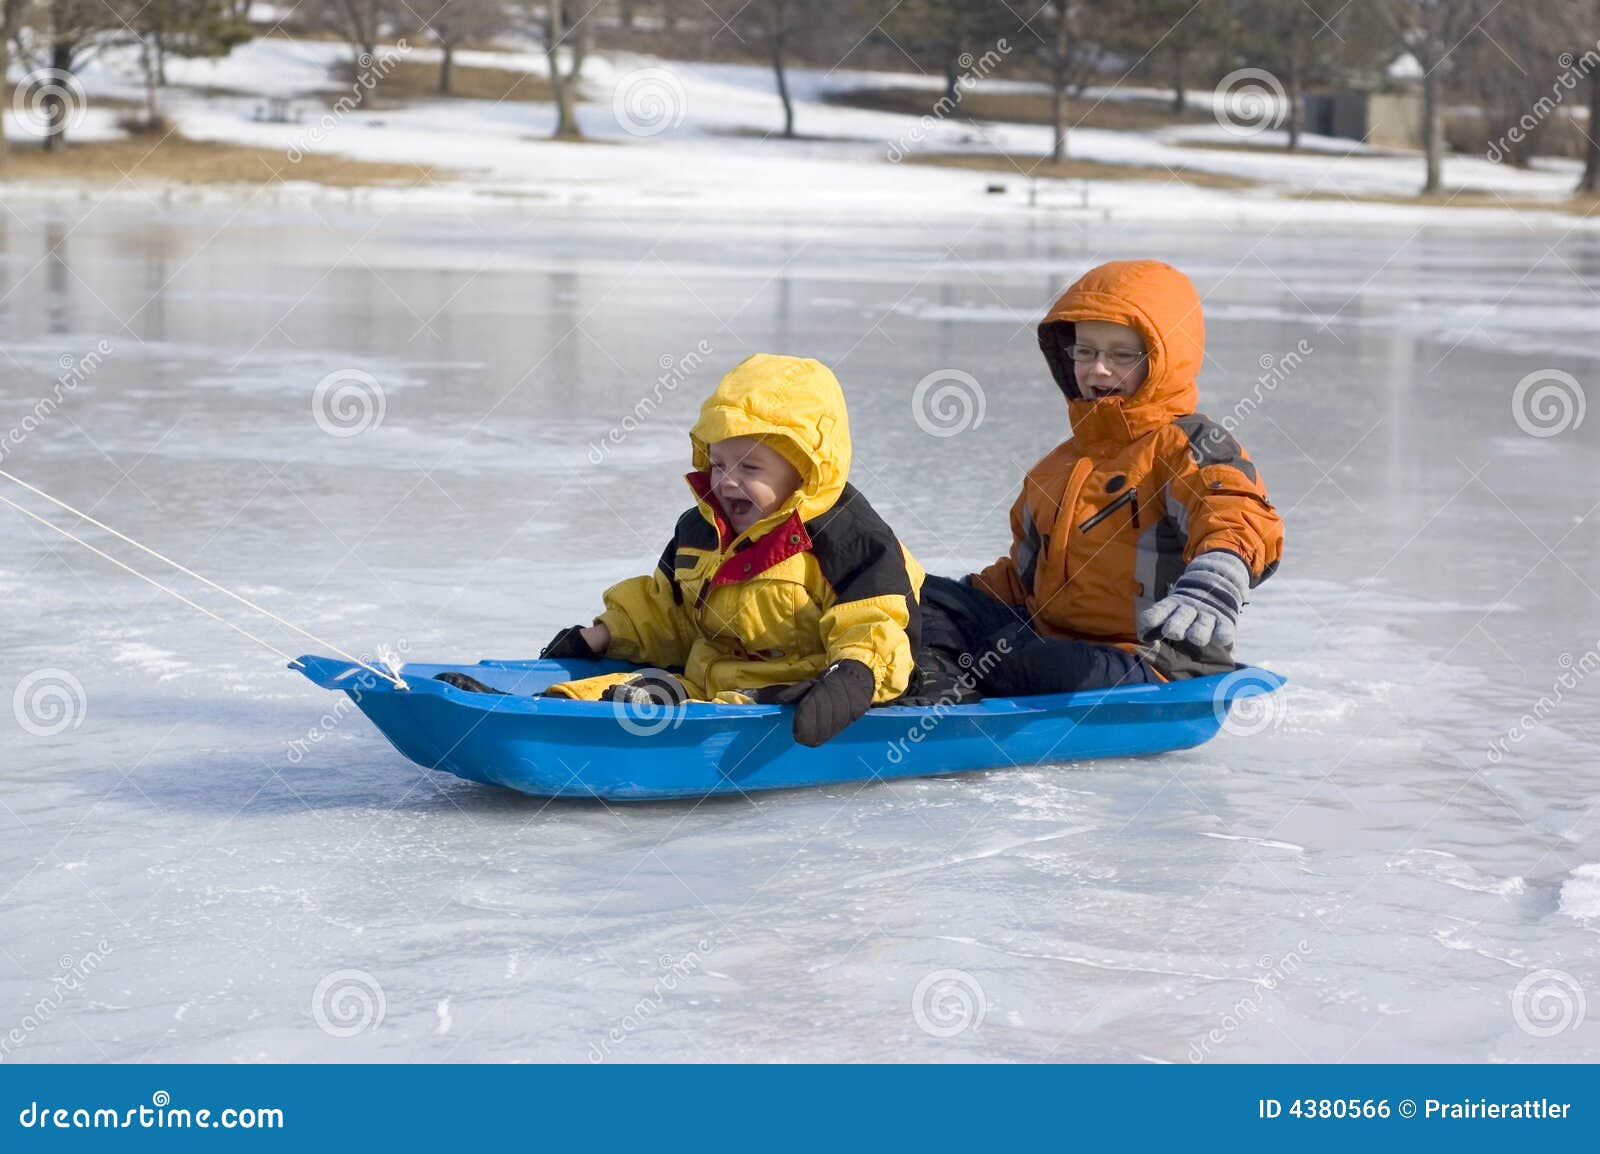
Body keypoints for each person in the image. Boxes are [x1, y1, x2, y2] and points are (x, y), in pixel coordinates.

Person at [439, 353, 925, 747]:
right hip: (708, 681)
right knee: (626, 694)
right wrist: (604, 637)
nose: (727, 481)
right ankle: (541, 712)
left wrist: (853, 678)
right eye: (718, 464)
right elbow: (670, 610)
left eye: (750, 468)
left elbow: (876, 621)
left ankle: (568, 737)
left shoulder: (850, 540)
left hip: (794, 695)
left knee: (685, 708)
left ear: (804, 473)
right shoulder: (702, 532)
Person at [922, 259, 1284, 696]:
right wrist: (957, 602)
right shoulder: (1059, 465)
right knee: (917, 599)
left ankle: (952, 685)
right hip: (1053, 639)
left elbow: (1235, 510)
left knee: (1026, 664)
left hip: (1151, 660)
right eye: (1086, 352)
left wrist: (1216, 579)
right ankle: (926, 679)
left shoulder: (1185, 445)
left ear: (1164, 359)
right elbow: (1024, 580)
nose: (1099, 370)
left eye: (1121, 355)